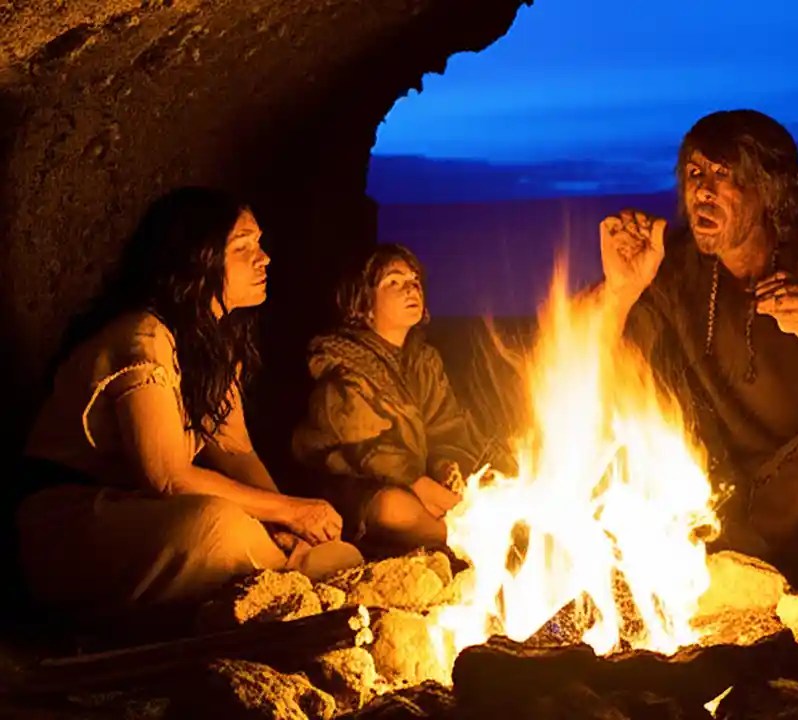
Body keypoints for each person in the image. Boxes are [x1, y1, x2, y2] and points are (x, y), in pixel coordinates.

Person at [11, 187, 361, 625]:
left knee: (312, 545)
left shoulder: (214, 344)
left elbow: (235, 451)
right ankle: (285, 586)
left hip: (141, 511)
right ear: (198, 259)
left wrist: (287, 523)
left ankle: (286, 577)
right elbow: (167, 477)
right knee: (214, 526)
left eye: (259, 243)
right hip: (71, 522)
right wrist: (290, 510)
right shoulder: (144, 338)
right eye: (243, 247)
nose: (264, 258)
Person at [589, 109, 798, 588]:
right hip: (715, 483)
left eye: (723, 174)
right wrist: (619, 291)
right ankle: (724, 559)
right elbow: (594, 372)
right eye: (695, 173)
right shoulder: (676, 269)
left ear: (769, 190)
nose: (702, 190)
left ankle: (738, 565)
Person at [293, 244, 509, 557]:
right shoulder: (340, 362)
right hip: (356, 486)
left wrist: (444, 465)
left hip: (417, 483)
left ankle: (468, 534)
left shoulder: (423, 361)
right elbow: (363, 447)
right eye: (393, 282)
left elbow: (446, 426)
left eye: (414, 280)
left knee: (492, 486)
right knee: (392, 509)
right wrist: (419, 484)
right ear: (364, 303)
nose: (411, 289)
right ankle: (467, 543)